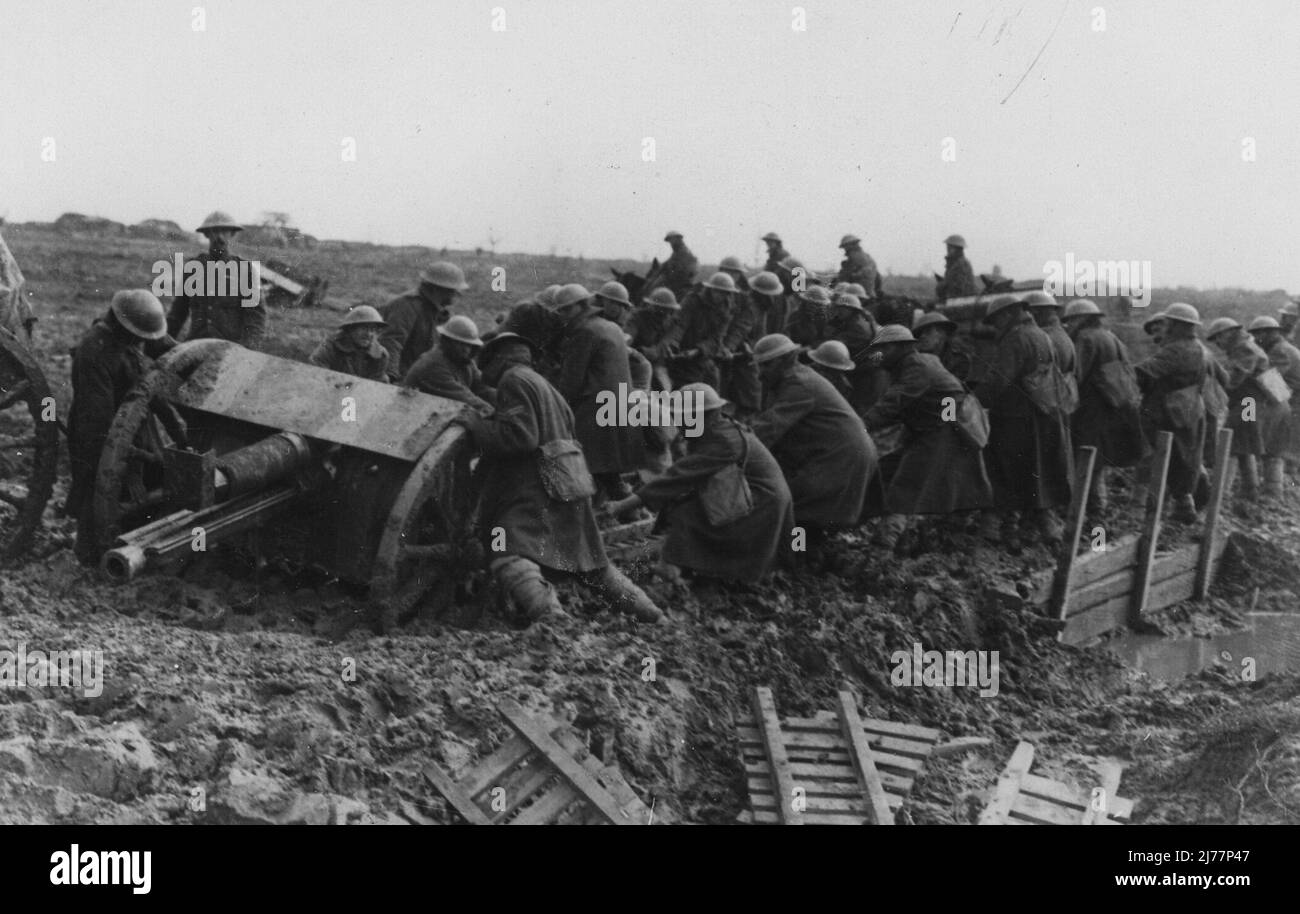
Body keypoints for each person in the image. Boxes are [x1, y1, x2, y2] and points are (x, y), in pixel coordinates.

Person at [455, 332, 663, 623]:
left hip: (535, 488)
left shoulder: (512, 380)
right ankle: (651, 614)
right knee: (590, 565)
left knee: (506, 552)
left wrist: (478, 426)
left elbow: (522, 438)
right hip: (569, 482)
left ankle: (551, 618)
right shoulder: (545, 386)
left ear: (499, 358)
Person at [606, 383, 794, 584]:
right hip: (751, 492)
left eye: (681, 417)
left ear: (700, 416)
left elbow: (677, 478)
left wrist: (621, 505)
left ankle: (671, 567)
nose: (678, 422)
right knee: (683, 508)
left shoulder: (723, 440)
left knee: (688, 514)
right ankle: (681, 565)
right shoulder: (716, 429)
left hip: (762, 500)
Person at [863, 325, 993, 549]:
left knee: (906, 485)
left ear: (899, 348)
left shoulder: (917, 367)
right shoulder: (914, 364)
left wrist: (860, 426)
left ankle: (885, 543)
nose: (878, 355)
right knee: (888, 471)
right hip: (935, 427)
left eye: (883, 349)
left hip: (945, 430)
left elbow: (892, 404)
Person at [68, 290, 168, 564]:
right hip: (100, 436)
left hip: (135, 427)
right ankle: (91, 555)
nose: (140, 343)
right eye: (136, 338)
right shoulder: (94, 352)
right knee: (96, 491)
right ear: (121, 327)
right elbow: (100, 425)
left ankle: (137, 539)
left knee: (151, 482)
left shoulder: (128, 336)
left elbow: (165, 349)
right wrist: (129, 467)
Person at [750, 333, 877, 546]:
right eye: (759, 366)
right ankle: (806, 555)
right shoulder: (791, 380)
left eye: (766, 366)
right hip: (838, 452)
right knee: (803, 506)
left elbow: (769, 429)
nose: (760, 374)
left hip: (842, 456)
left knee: (794, 503)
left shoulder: (800, 384)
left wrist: (734, 444)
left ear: (785, 361)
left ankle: (796, 558)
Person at [971, 294, 1074, 546]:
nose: (996, 327)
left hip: (1014, 418)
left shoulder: (1015, 338)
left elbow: (999, 380)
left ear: (1006, 315)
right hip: (1042, 414)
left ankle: (995, 531)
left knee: (1002, 471)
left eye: (996, 321)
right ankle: (1047, 529)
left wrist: (971, 399)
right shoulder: (1042, 335)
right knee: (1036, 472)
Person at [553, 283, 645, 501]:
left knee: (583, 467)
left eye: (567, 309)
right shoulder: (610, 327)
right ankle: (629, 508)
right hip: (620, 411)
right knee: (609, 475)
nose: (563, 315)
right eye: (561, 311)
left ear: (582, 305)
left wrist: (555, 404)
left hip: (596, 414)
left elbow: (571, 383)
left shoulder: (584, 332)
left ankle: (606, 511)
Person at [1062, 299, 1146, 514]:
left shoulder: (1085, 338)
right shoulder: (1112, 337)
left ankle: (1091, 507)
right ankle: (1097, 506)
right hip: (1114, 406)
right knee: (1097, 459)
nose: (1069, 325)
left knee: (1086, 456)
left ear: (1081, 319)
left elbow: (1077, 373)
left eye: (1071, 320)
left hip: (1092, 407)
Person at [1133, 304, 1209, 523]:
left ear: (1176, 325)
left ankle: (1148, 513)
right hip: (1188, 408)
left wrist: (1123, 377)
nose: (1163, 328)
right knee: (1183, 456)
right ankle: (1184, 506)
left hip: (1168, 411)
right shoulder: (1197, 347)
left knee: (1162, 457)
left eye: (1166, 323)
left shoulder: (1178, 349)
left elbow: (1145, 372)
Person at [1206, 316, 1288, 509]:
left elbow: (1235, 379)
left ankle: (1221, 492)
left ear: (1229, 334)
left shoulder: (1244, 349)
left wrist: (1215, 377)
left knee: (1232, 442)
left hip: (1250, 402)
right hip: (1253, 402)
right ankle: (1249, 489)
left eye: (1219, 338)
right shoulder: (1243, 347)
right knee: (1243, 443)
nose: (1217, 343)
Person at [166, 211, 267, 350]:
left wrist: (247, 352)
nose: (219, 237)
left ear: (232, 234)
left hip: (230, 350)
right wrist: (163, 342)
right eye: (214, 231)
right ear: (207, 234)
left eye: (224, 231)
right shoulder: (193, 268)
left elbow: (255, 318)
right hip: (195, 347)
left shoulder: (245, 269)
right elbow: (178, 311)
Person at [378, 261, 468, 381]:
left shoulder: (438, 313)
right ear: (438, 289)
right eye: (452, 291)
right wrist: (391, 377)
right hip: (401, 380)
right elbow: (392, 342)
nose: (455, 295)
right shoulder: (406, 305)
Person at [672, 272, 752, 394]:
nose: (720, 296)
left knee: (713, 377)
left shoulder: (726, 309)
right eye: (717, 291)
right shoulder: (693, 300)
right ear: (710, 289)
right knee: (686, 382)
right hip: (680, 350)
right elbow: (679, 325)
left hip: (700, 354)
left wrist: (698, 350)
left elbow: (717, 337)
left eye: (724, 293)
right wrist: (673, 345)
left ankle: (712, 411)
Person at [403, 315, 495, 412]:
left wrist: (506, 402)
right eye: (460, 343)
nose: (466, 349)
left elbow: (483, 387)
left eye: (469, 345)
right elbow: (464, 398)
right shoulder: (433, 364)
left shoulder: (464, 361)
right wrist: (493, 412)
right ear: (447, 341)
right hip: (412, 413)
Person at [1249, 315, 1300, 477]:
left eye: (1258, 334)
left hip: (1294, 400)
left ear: (1268, 333)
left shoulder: (1280, 351)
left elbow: (1274, 384)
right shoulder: (1281, 347)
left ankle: (1286, 480)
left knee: (1283, 442)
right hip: (1291, 397)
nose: (1256, 339)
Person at [827, 290, 883, 415]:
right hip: (861, 367)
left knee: (858, 406)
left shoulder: (858, 327)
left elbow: (837, 342)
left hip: (865, 371)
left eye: (844, 308)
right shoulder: (854, 321)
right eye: (839, 307)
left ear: (853, 310)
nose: (840, 311)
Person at [308, 306, 390, 380]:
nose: (368, 334)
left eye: (372, 329)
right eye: (363, 328)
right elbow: (315, 369)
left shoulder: (380, 355)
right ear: (350, 329)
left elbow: (376, 384)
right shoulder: (331, 345)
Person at [912, 311, 974, 384]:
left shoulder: (959, 360)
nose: (922, 336)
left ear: (942, 333)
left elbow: (954, 389)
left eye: (928, 331)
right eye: (919, 334)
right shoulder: (915, 360)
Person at [835, 234, 881, 299]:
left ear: (851, 245)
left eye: (845, 246)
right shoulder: (867, 257)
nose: (844, 249)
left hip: (856, 295)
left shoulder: (854, 258)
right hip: (870, 294)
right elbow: (878, 278)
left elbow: (844, 277)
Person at [657, 231, 699, 299]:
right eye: (669, 240)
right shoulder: (677, 253)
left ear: (678, 239)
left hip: (680, 284)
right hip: (676, 281)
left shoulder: (684, 252)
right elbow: (667, 264)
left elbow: (683, 270)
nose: (670, 243)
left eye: (671, 239)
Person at [935, 235, 977, 301]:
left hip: (960, 301)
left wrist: (941, 285)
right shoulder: (954, 263)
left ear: (957, 249)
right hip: (957, 300)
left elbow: (958, 287)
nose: (948, 250)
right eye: (948, 247)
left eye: (950, 248)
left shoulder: (961, 264)